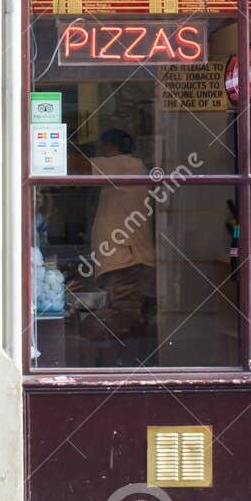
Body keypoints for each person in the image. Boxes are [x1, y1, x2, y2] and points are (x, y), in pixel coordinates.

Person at [83, 129, 157, 358]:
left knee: (123, 323)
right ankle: (124, 367)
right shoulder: (126, 167)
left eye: (100, 148)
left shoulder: (122, 164)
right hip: (124, 261)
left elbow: (77, 167)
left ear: (108, 147)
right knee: (126, 321)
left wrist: (47, 149)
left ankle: (126, 371)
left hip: (127, 261)